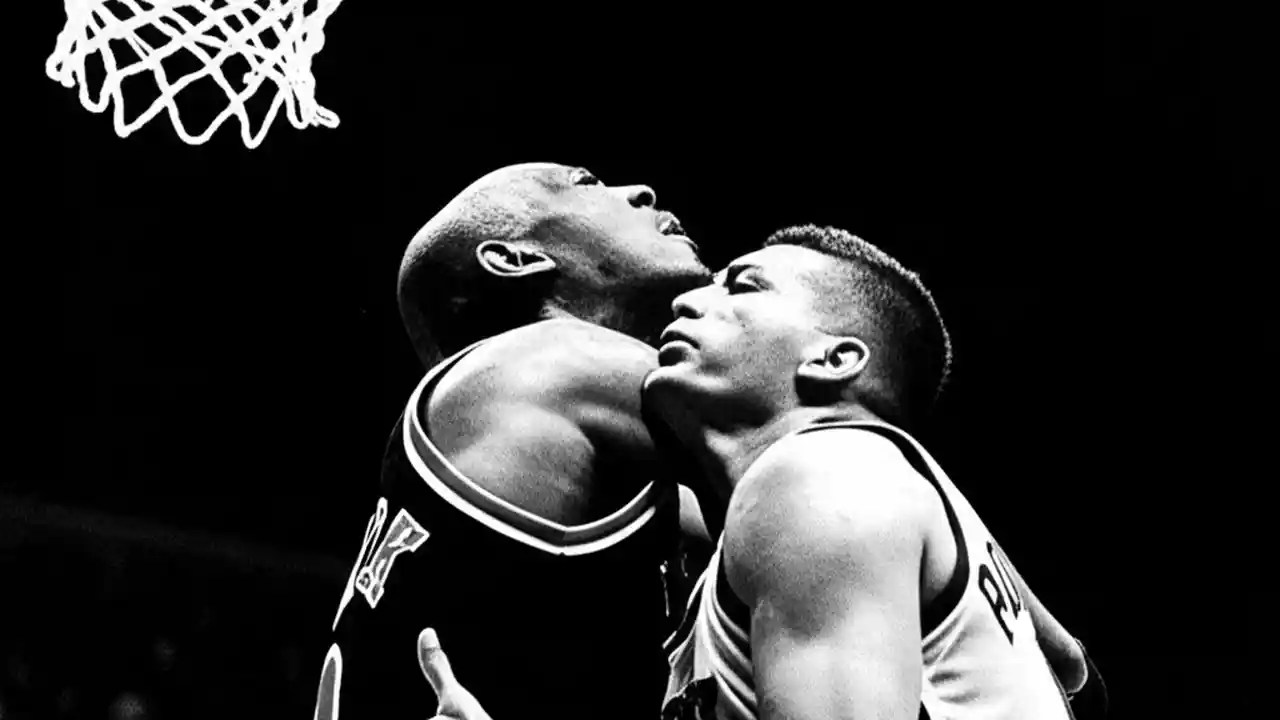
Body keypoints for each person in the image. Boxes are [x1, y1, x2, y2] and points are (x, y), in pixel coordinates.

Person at [416, 224, 1107, 720]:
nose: (689, 301)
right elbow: (1078, 675)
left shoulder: (814, 480)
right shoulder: (850, 489)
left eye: (743, 287)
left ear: (833, 360)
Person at [310, 163, 714, 720]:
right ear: (514, 259)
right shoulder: (552, 361)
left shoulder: (530, 438)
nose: (640, 190)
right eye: (586, 183)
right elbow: (801, 439)